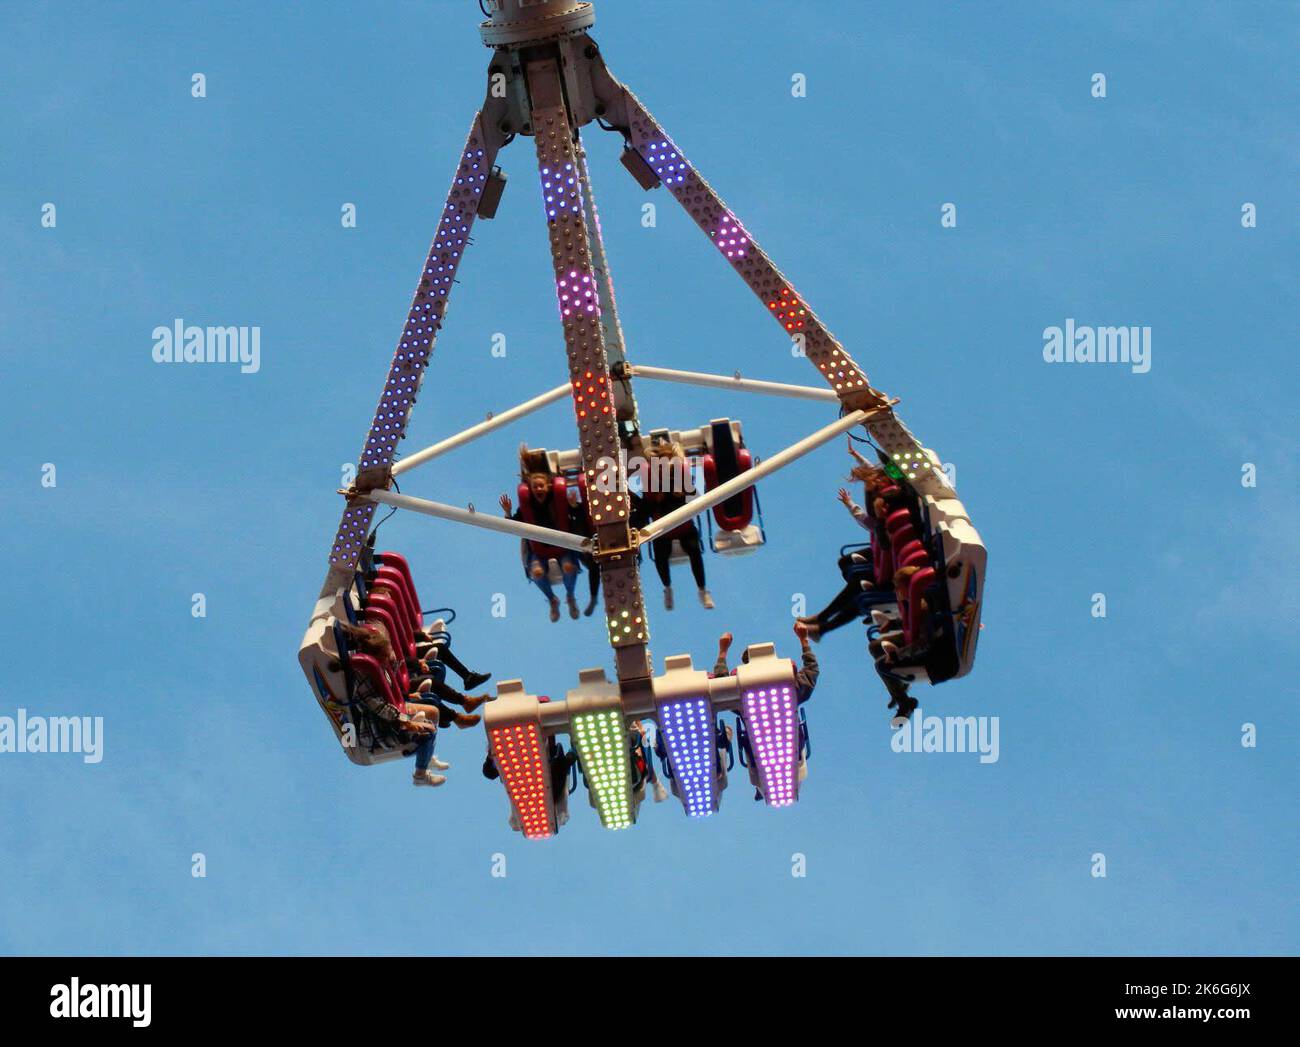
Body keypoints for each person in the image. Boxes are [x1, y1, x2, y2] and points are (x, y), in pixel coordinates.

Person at [338, 622, 483, 730]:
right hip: (388, 716)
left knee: (431, 681)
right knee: (430, 702)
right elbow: (379, 705)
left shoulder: (381, 660)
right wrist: (405, 719)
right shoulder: (364, 675)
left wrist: (407, 693)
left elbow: (391, 684)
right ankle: (455, 717)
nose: (390, 660)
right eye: (386, 658)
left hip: (398, 696)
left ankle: (464, 703)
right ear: (377, 658)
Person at [636, 441, 713, 611]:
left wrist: (684, 492)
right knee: (660, 554)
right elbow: (646, 508)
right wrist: (657, 498)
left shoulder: (680, 475)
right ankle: (667, 588)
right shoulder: (653, 478)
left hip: (683, 525)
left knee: (694, 550)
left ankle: (702, 590)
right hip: (663, 528)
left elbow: (697, 497)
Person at [500, 471, 583, 622]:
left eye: (541, 486)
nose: (538, 490)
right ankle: (552, 600)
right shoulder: (527, 507)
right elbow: (513, 525)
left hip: (561, 547)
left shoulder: (557, 500)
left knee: (569, 568)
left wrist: (574, 505)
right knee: (536, 572)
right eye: (535, 487)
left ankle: (570, 597)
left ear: (548, 486)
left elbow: (577, 516)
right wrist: (507, 512)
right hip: (539, 550)